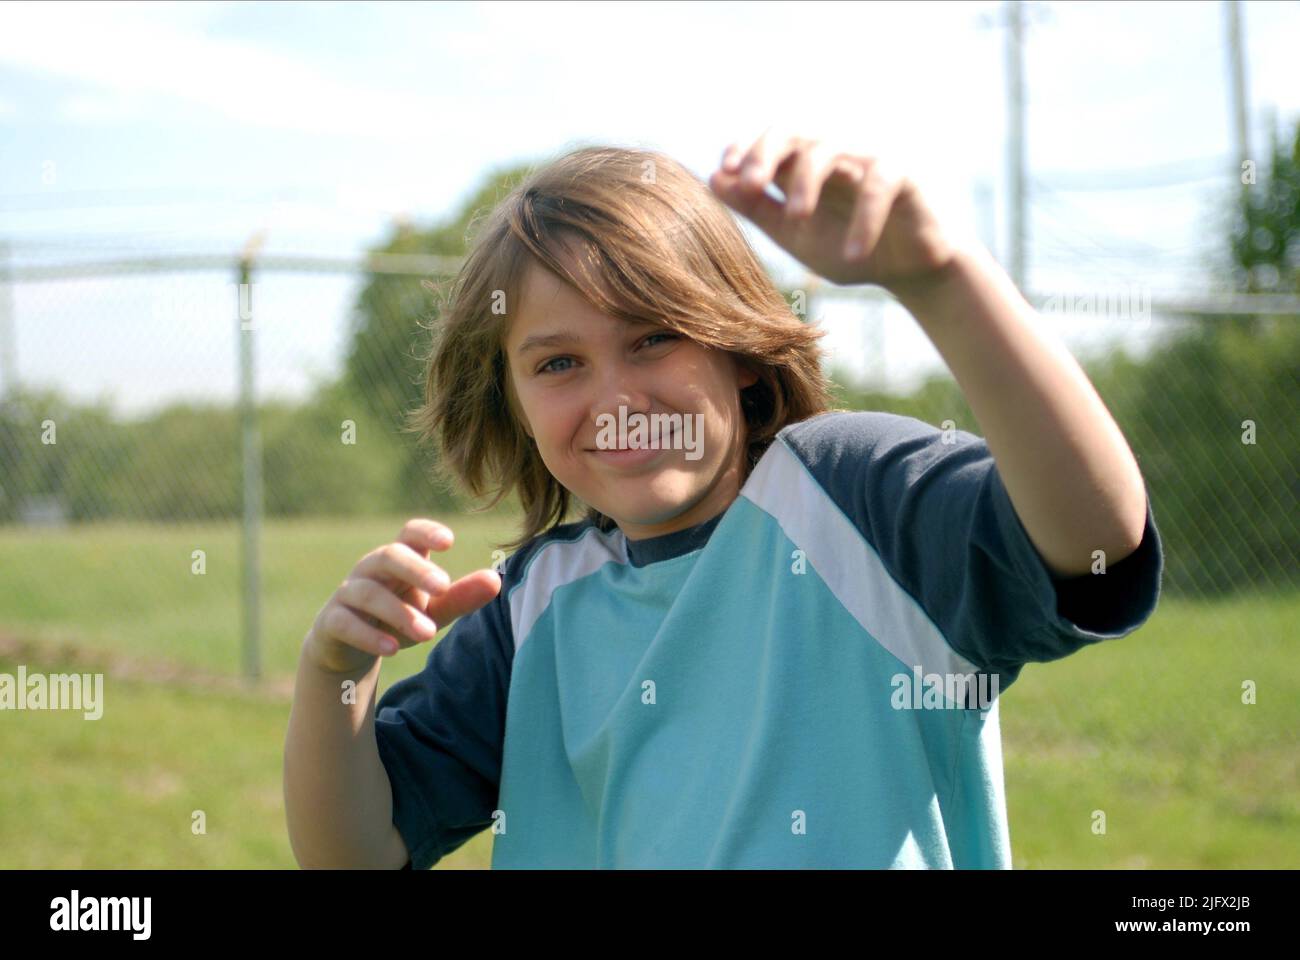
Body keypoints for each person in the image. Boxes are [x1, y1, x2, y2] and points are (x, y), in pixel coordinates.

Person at [284, 133, 1164, 869]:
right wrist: (335, 679)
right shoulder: (531, 613)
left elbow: (1096, 547)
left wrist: (941, 279)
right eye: (558, 363)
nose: (617, 399)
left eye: (654, 337)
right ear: (510, 397)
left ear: (740, 348)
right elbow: (358, 851)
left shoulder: (850, 499)